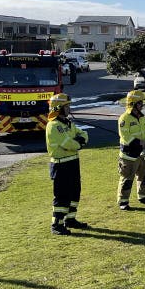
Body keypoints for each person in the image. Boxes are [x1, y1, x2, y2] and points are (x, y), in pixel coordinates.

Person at [45, 93, 89, 235]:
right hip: (61, 165)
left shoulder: (68, 123)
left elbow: (84, 134)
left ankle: (70, 219)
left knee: (75, 192)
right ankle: (56, 225)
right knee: (62, 195)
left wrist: (79, 141)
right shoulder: (54, 126)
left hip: (73, 163)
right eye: (66, 106)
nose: (69, 108)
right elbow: (67, 144)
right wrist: (78, 142)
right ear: (58, 108)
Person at [117, 90, 145, 210]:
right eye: (140, 103)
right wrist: (142, 142)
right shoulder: (124, 119)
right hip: (129, 156)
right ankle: (123, 202)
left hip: (143, 154)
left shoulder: (142, 117)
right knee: (127, 179)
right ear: (133, 103)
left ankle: (143, 196)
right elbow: (126, 137)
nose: (142, 105)